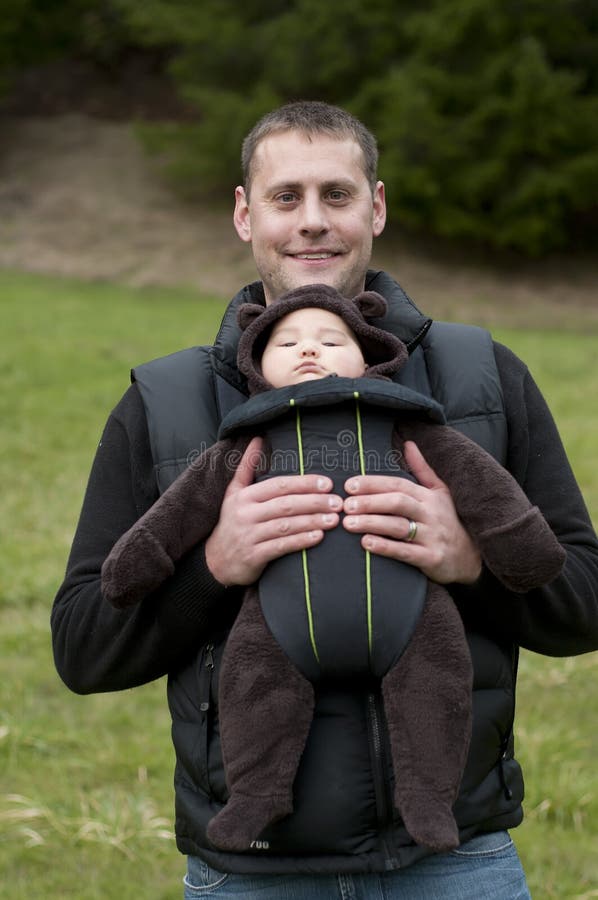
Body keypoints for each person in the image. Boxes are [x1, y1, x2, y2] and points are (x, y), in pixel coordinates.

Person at [51, 101, 598, 899]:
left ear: (376, 206)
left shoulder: (481, 375)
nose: (313, 222)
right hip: (249, 871)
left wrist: (472, 562)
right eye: (286, 197)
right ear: (246, 214)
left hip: (456, 862)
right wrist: (210, 566)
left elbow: (584, 600)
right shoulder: (164, 402)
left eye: (337, 195)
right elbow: (81, 645)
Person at [99, 283, 565, 858]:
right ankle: (256, 797)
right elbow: (181, 509)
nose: (308, 351)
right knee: (255, 684)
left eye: (330, 339)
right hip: (277, 623)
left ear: (371, 358)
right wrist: (181, 563)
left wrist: (494, 556)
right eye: (287, 342)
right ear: (256, 366)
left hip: (414, 618)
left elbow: (485, 488)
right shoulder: (246, 443)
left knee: (434, 683)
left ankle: (428, 801)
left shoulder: (409, 426)